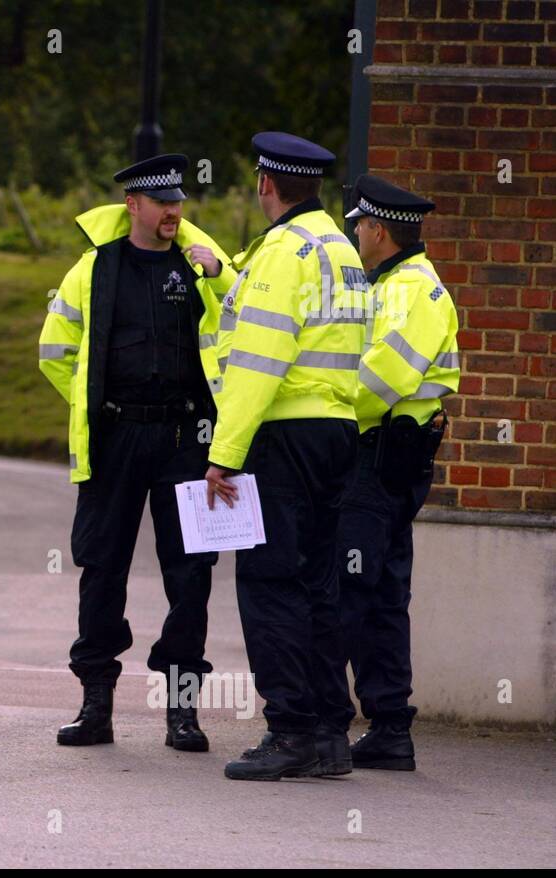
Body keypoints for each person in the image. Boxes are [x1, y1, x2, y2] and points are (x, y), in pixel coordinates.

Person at [38, 154, 233, 752]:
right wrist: (91, 410)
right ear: (133, 205)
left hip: (187, 440)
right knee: (101, 570)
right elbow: (55, 351)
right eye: (162, 202)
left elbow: (246, 334)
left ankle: (182, 709)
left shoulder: (204, 269)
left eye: (179, 202)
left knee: (192, 573)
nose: (174, 211)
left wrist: (220, 276)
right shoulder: (94, 269)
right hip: (115, 438)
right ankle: (96, 704)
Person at [204, 132, 368, 781]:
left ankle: (289, 730)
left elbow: (258, 360)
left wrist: (224, 452)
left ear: (266, 185)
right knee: (319, 584)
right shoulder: (340, 248)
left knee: (270, 581)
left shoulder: (281, 250)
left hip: (283, 435)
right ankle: (330, 732)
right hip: (336, 430)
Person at [318, 175, 459, 771]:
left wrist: (321, 409)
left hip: (379, 462)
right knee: (379, 594)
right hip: (384, 462)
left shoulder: (414, 294)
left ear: (378, 231)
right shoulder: (393, 285)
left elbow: (378, 383)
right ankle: (388, 726)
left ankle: (328, 724)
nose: (352, 232)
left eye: (358, 225)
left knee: (353, 593)